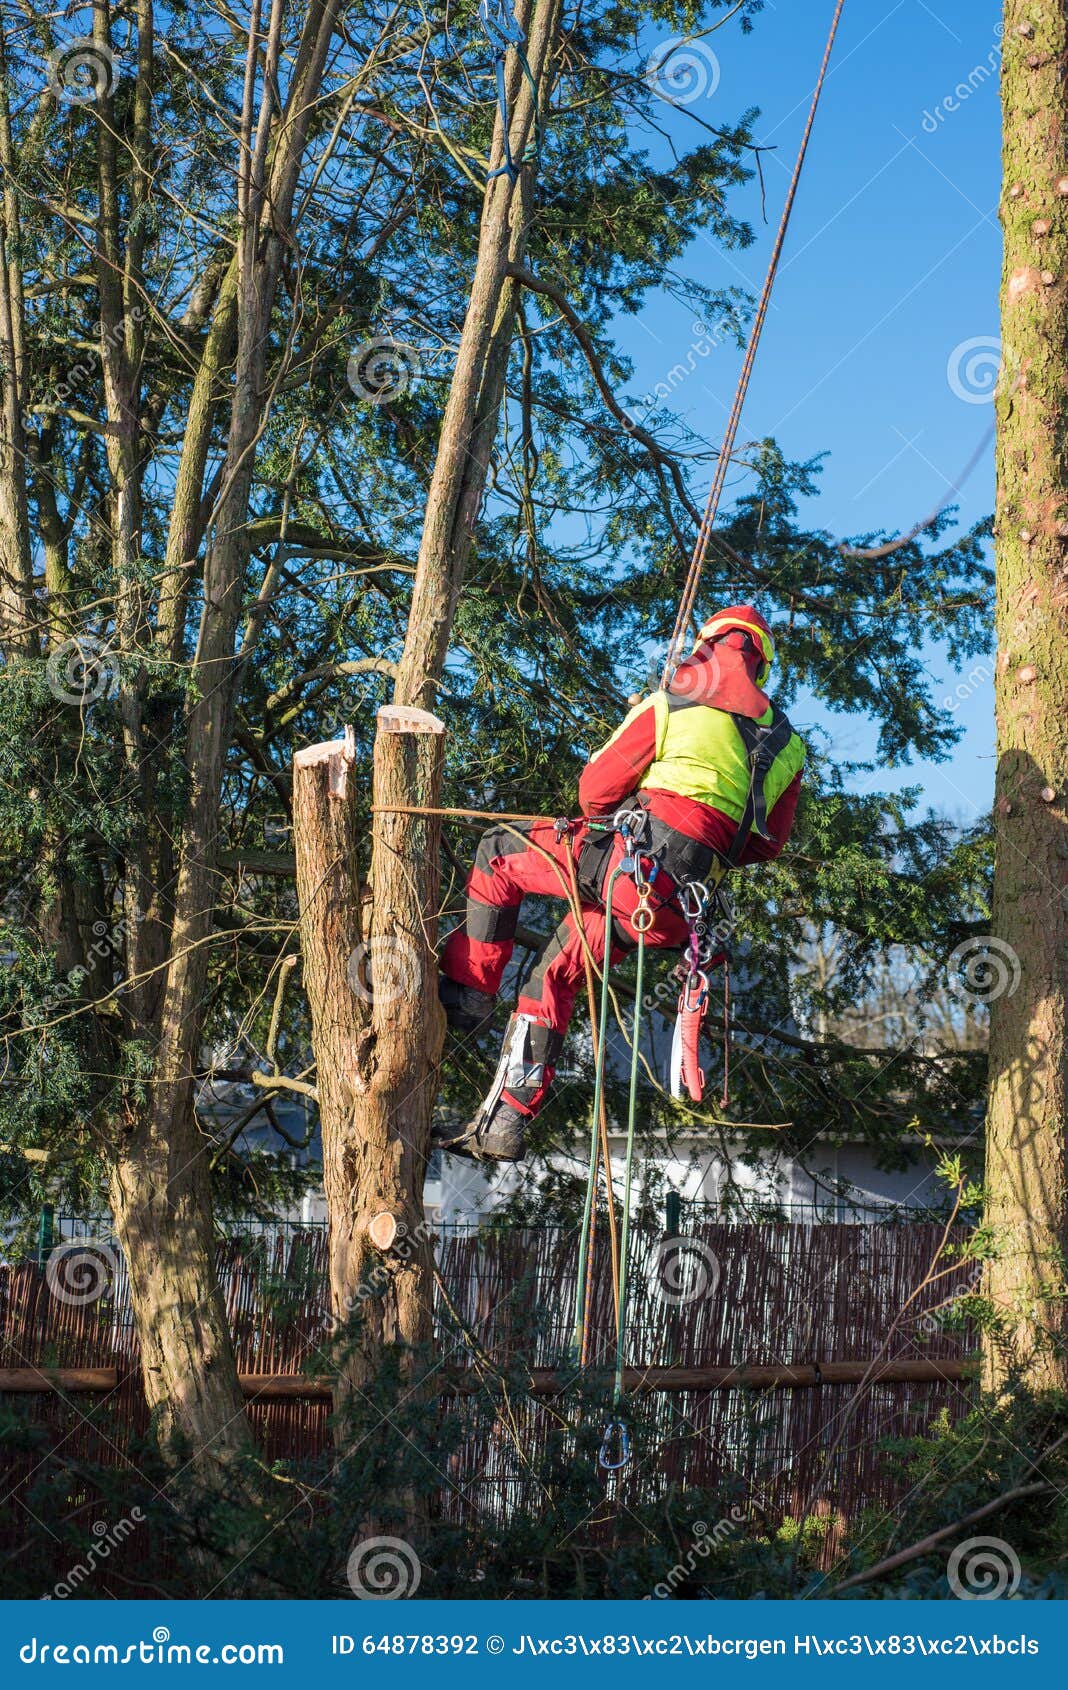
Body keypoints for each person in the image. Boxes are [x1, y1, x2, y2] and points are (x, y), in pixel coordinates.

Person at [434, 605, 806, 1162]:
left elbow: (594, 793)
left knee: (498, 854)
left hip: (626, 869)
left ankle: (467, 995)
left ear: (705, 649)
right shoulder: (787, 745)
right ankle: (505, 1119)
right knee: (553, 973)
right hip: (679, 911)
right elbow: (765, 845)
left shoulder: (671, 704)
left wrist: (642, 785)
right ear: (761, 666)